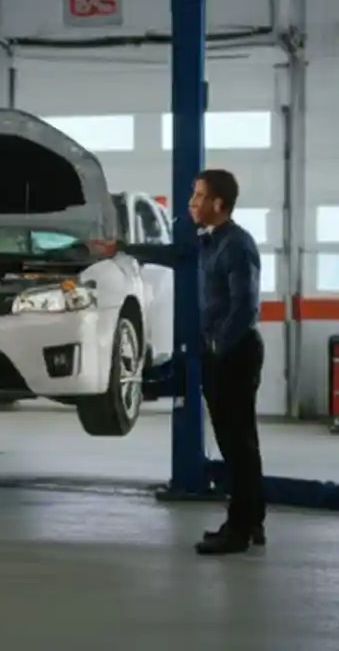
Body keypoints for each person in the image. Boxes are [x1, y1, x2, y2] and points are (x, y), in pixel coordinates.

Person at [91, 169, 265, 555]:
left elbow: (246, 305)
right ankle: (251, 521)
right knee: (239, 442)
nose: (191, 203)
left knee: (237, 443)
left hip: (234, 353)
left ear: (219, 204)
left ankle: (239, 528)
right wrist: (122, 249)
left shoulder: (237, 245)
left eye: (199, 196)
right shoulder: (210, 242)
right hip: (224, 352)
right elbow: (175, 255)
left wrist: (218, 347)